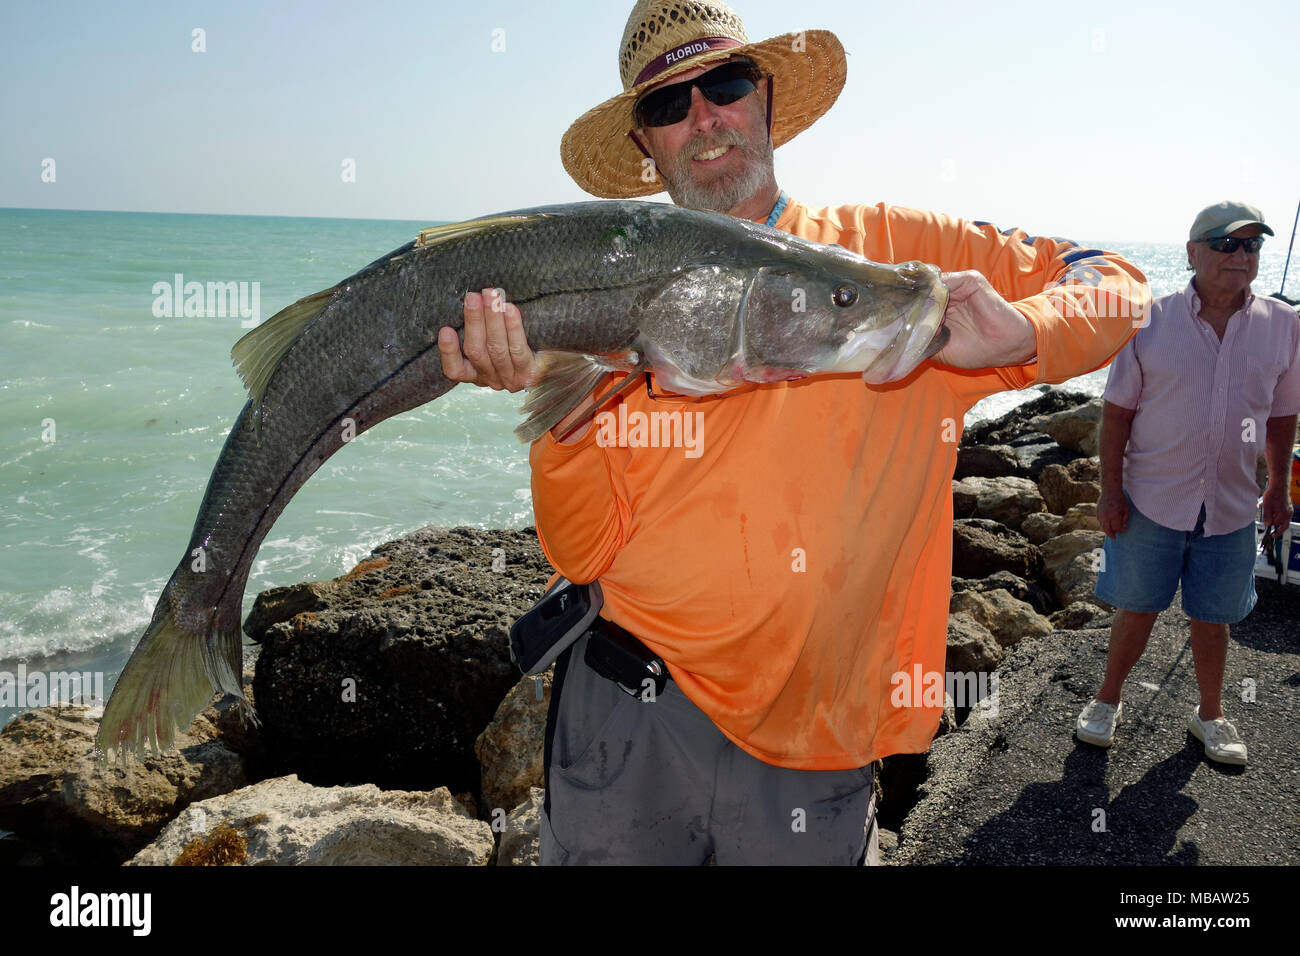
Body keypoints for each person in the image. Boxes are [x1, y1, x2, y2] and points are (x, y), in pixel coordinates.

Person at [439, 0, 1149, 864]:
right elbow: (583, 551)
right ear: (645, 145)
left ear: (766, 98)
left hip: (820, 736)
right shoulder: (607, 296)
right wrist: (563, 415)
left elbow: (1112, 279)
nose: (702, 117)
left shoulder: (896, 263)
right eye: (668, 105)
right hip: (629, 714)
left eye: (725, 84)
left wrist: (1030, 330)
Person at [1076, 201, 1300, 766]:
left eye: (1251, 245)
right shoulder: (1149, 319)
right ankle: (1107, 701)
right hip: (1151, 497)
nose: (1240, 256)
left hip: (1229, 504)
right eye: (1226, 244)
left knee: (1214, 616)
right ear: (1192, 252)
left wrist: (1277, 488)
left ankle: (1210, 714)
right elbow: (1117, 413)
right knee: (1138, 606)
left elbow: (1281, 416)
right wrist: (1109, 491)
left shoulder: (1285, 325)